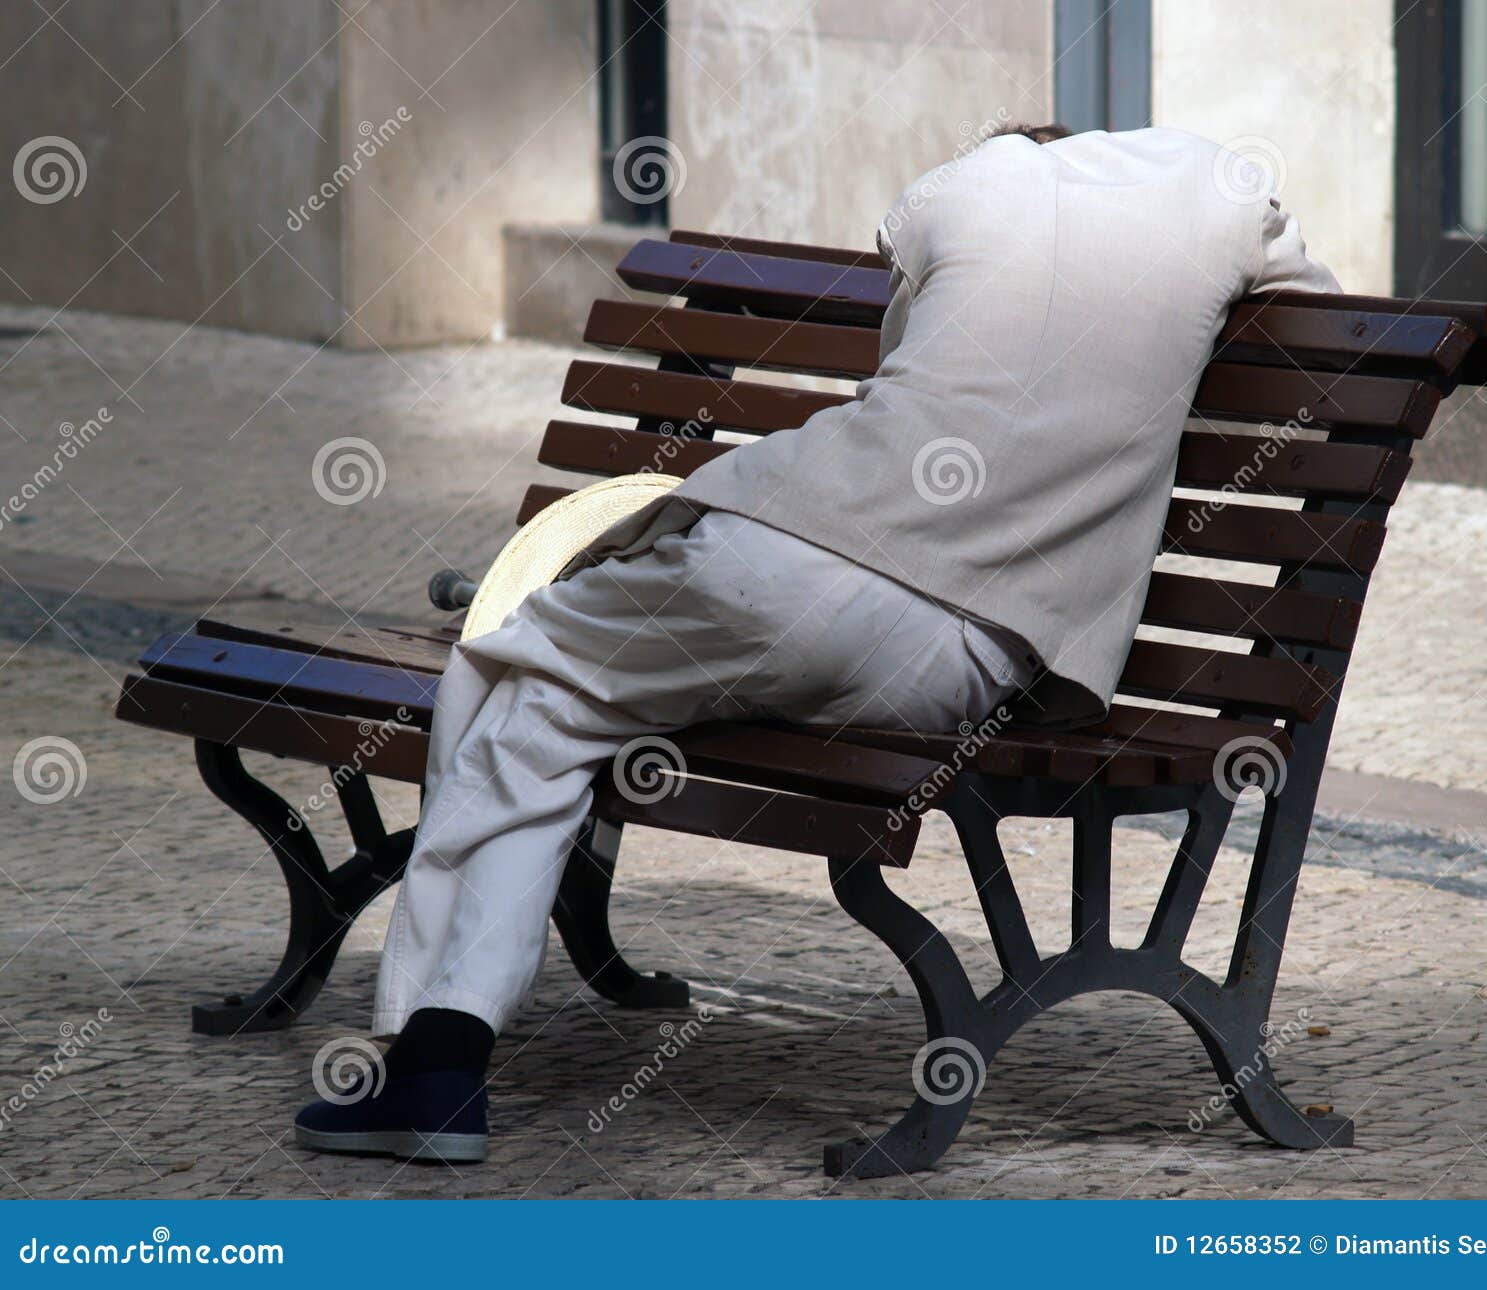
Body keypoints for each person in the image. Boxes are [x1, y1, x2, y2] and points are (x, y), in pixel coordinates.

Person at [293, 122, 1339, 1162]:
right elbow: (1329, 321)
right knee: (583, 689)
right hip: (968, 660)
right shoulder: (1222, 189)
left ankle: (434, 1063)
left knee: (519, 678)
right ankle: (437, 1059)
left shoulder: (961, 189)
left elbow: (897, 385)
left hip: (786, 571)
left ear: (1010, 145)